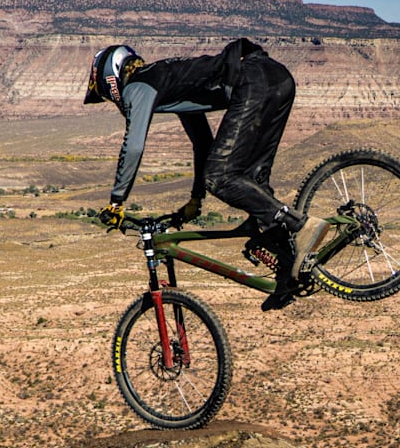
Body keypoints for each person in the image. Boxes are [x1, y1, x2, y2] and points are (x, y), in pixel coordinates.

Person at [85, 38, 328, 311]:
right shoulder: (171, 84)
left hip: (253, 81)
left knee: (220, 176)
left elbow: (134, 145)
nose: (111, 100)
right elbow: (202, 142)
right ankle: (288, 278)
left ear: (110, 79)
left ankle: (299, 224)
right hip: (277, 77)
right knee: (252, 182)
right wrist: (196, 199)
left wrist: (117, 201)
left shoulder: (139, 85)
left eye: (105, 94)